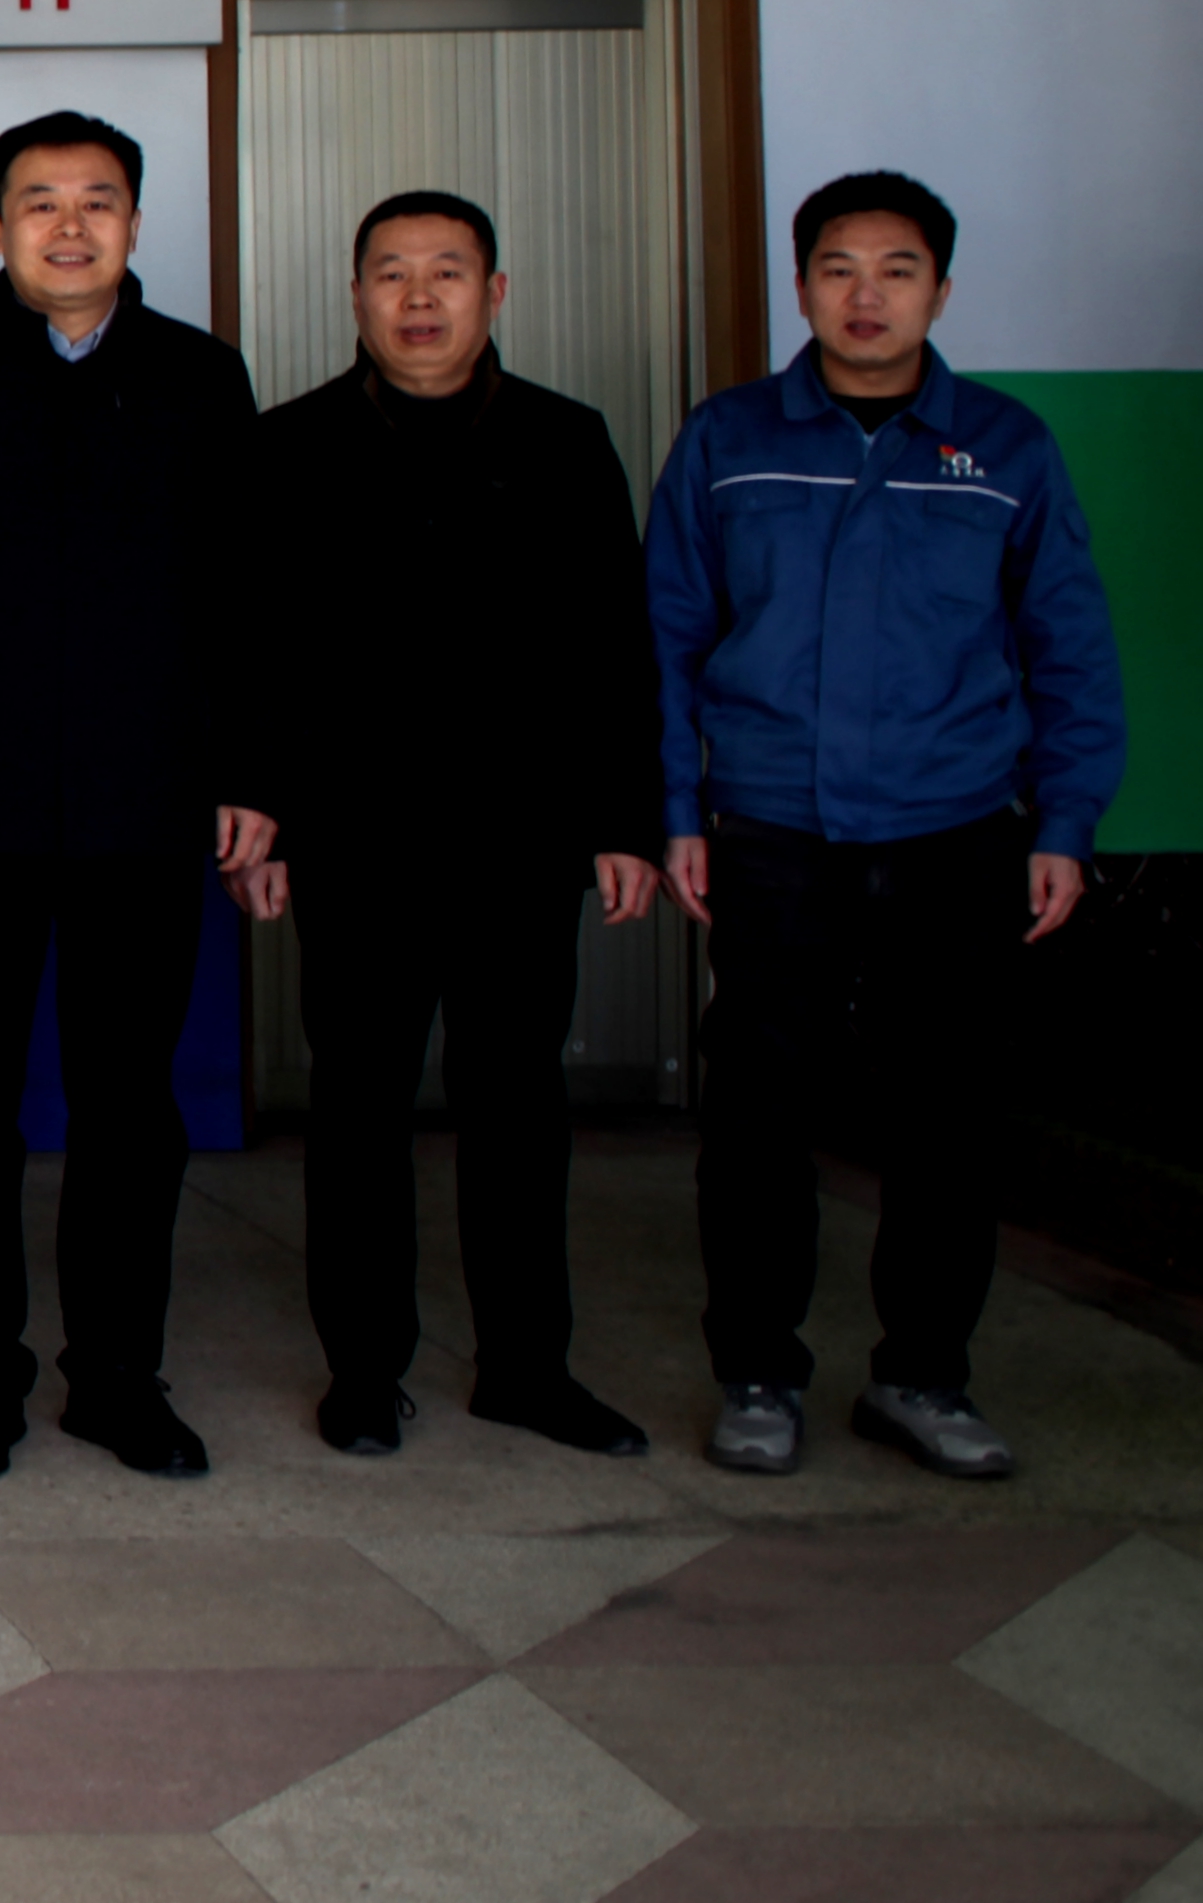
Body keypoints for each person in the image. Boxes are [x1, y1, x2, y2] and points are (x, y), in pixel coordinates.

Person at [650, 170, 1126, 1483]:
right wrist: (676, 806)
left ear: (939, 289)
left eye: (895, 269)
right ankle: (756, 1372)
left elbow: (1067, 644)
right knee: (757, 1116)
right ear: (799, 285)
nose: (864, 296)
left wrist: (1064, 819)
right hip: (770, 829)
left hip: (952, 828)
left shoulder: (1004, 447)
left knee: (946, 1117)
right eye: (837, 269)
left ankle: (920, 1373)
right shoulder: (730, 436)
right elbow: (666, 635)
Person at [0, 111, 268, 1480]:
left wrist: (246, 772)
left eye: (96, 199)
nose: (68, 225)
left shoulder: (198, 377)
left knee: (128, 1105)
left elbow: (246, 592)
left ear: (134, 222)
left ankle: (116, 1376)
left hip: (145, 806)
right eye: (38, 201)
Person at [236, 191, 658, 1463]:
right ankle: (363, 1370)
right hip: (353, 839)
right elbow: (249, 651)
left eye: (446, 272)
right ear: (353, 294)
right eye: (390, 273)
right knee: (356, 1109)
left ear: (494, 291)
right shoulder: (288, 444)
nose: (417, 298)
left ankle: (526, 1366)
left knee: (516, 1106)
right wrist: (262, 817)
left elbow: (613, 642)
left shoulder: (564, 440)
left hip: (518, 838)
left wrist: (623, 817)